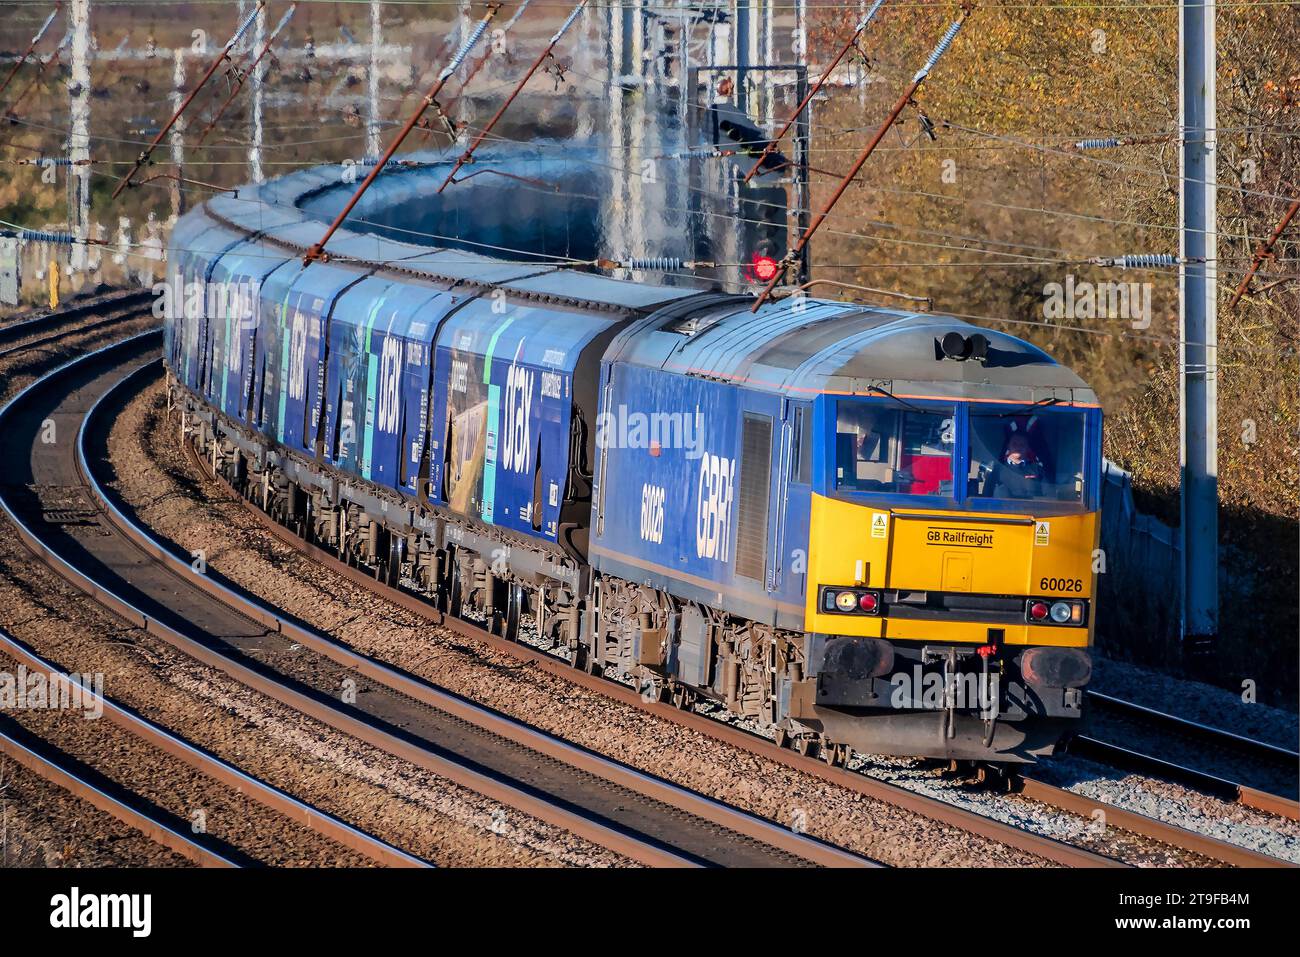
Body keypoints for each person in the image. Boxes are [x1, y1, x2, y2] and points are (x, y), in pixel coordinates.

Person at [990, 432, 1045, 498]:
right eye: (1014, 444)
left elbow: (1048, 495)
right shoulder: (996, 470)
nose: (1018, 447)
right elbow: (986, 498)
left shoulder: (1038, 470)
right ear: (1008, 446)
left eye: (1022, 445)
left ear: (1028, 448)